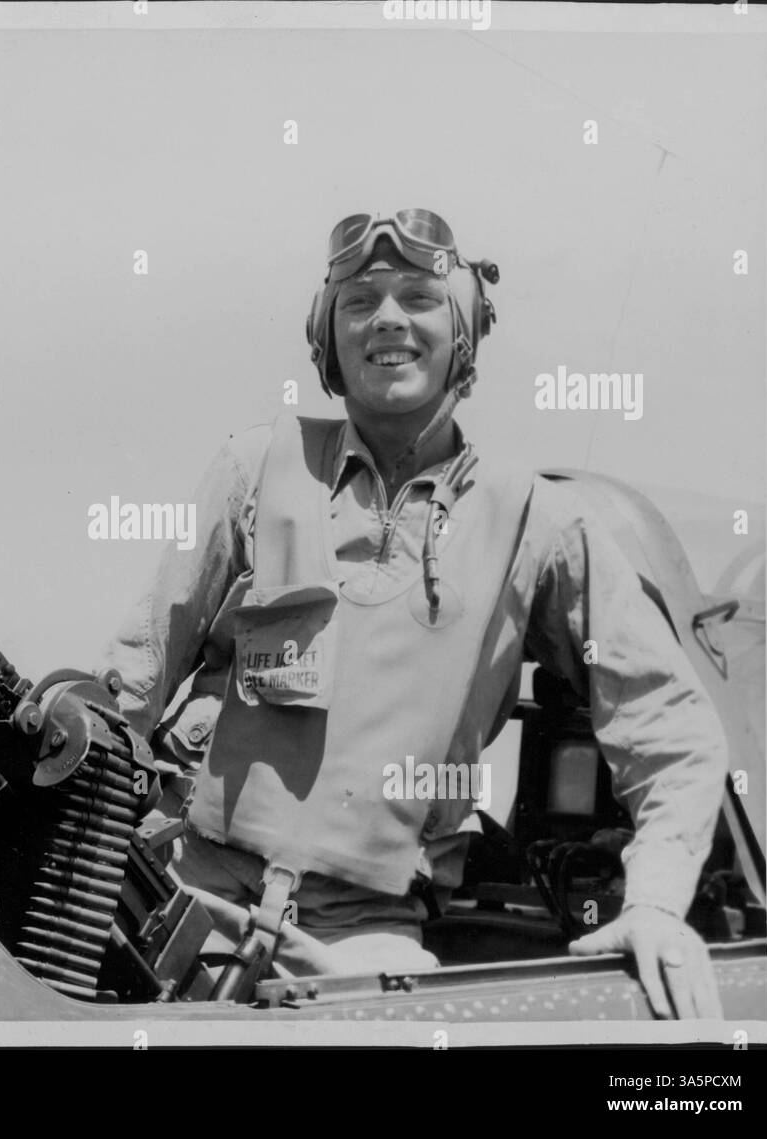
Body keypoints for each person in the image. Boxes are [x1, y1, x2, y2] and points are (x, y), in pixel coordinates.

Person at [98, 209, 729, 1019]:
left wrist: (654, 903)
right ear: (326, 336)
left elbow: (665, 721)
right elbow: (131, 681)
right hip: (192, 894)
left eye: (418, 299)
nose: (387, 319)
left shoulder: (534, 520)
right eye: (360, 301)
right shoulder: (256, 466)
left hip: (365, 935)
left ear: (462, 336)